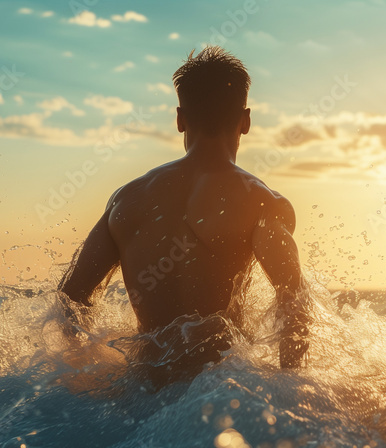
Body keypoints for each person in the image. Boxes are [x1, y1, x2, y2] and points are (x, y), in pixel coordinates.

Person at [57, 46, 308, 386]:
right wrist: (290, 391)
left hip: (141, 392)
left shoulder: (127, 199)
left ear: (180, 119)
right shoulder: (261, 202)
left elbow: (70, 298)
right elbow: (294, 299)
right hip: (219, 395)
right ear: (246, 121)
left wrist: (87, 375)